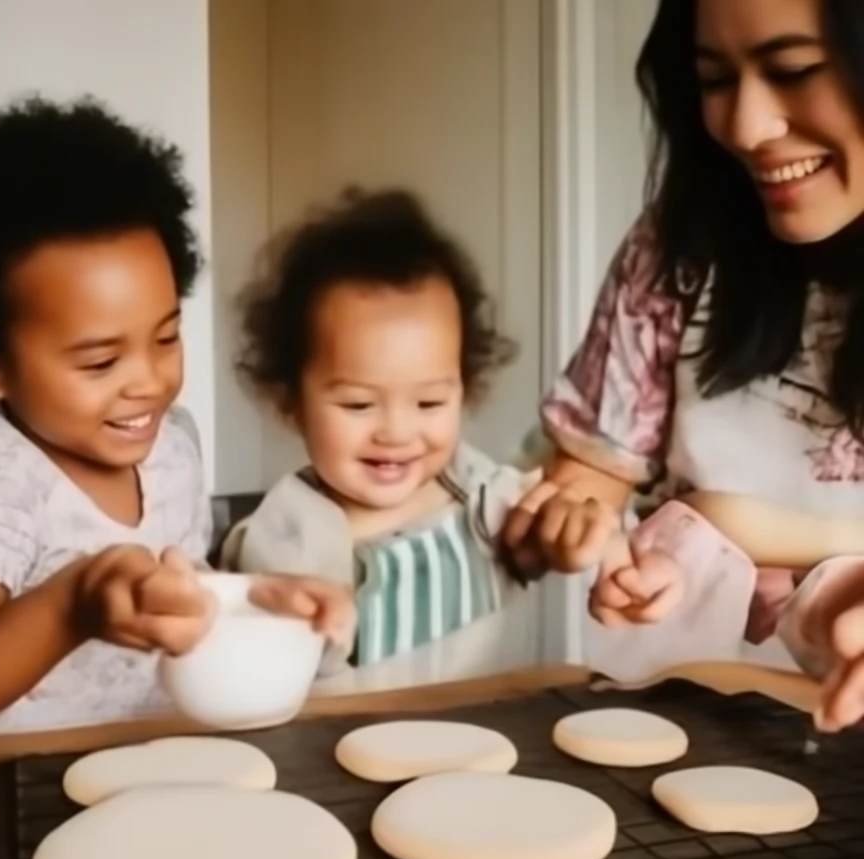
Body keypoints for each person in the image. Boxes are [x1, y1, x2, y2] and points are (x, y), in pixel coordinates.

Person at [0, 97, 351, 741]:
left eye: (167, 338)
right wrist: (73, 604)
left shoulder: (172, 444)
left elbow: (181, 590)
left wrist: (258, 602)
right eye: (100, 363)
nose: (148, 382)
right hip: (15, 798)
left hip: (141, 771)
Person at [502, 0, 864, 731]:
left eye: (794, 70)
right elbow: (596, 469)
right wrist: (583, 525)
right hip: (681, 711)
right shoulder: (681, 243)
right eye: (714, 79)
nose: (747, 127)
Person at [220, 188, 683, 670]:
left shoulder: (482, 495)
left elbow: (562, 523)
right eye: (359, 404)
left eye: (429, 402)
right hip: (335, 742)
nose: (397, 432)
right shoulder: (282, 534)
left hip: (483, 737)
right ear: (290, 401)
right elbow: (253, 654)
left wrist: (612, 552)